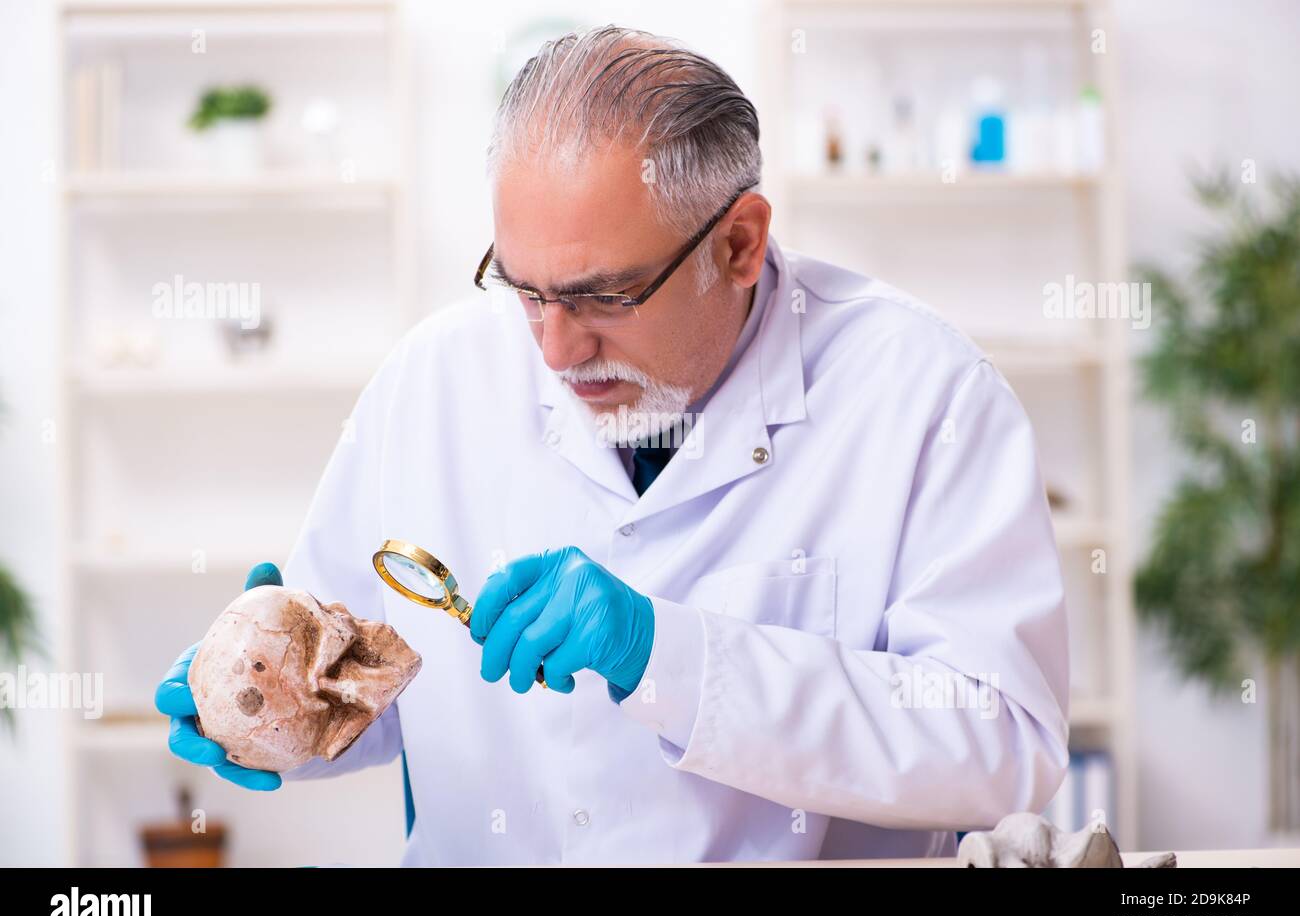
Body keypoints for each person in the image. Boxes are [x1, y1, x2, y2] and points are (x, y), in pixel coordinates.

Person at [157, 25, 1069, 865]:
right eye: (525, 290)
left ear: (740, 244)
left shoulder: (922, 392)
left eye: (604, 297)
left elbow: (1005, 748)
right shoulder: (431, 380)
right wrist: (279, 706)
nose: (555, 350)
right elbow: (382, 698)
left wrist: (666, 653)